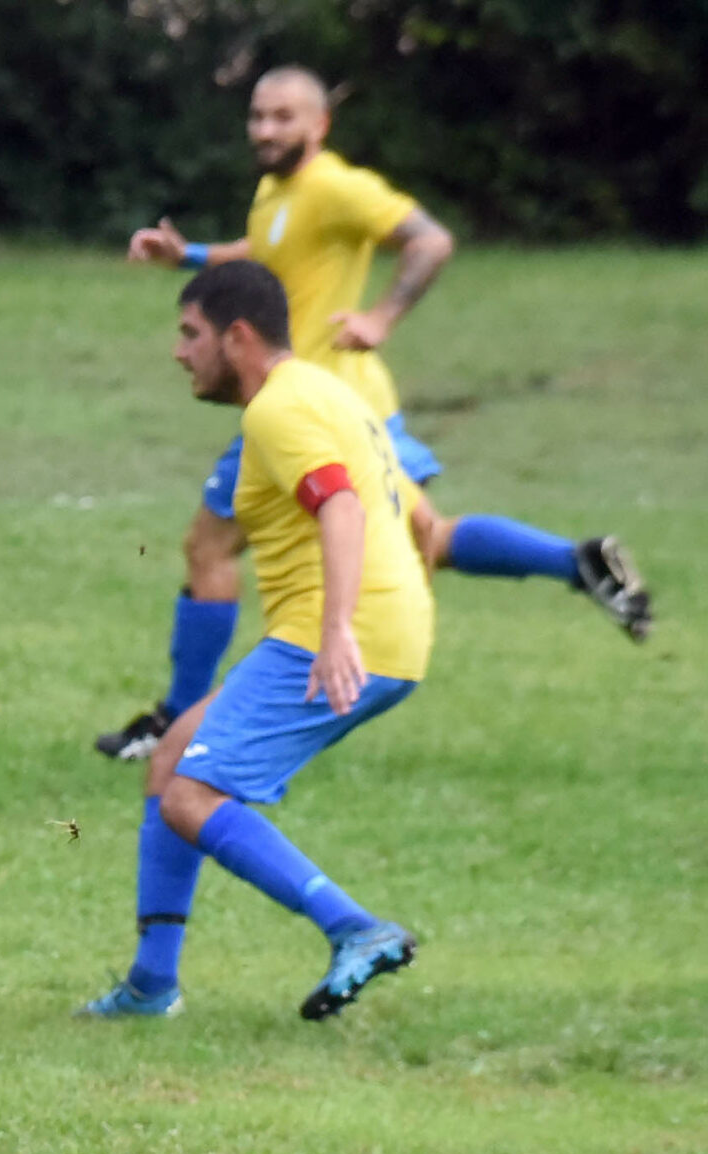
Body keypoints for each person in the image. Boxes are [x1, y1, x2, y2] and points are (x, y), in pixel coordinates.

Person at [97, 66, 651, 763]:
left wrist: (383, 315)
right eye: (258, 116)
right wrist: (193, 256)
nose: (266, 130)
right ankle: (575, 561)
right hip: (354, 404)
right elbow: (269, 252)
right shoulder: (280, 190)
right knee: (423, 538)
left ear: (320, 123)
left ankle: (173, 723)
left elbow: (431, 240)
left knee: (208, 549)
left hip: (308, 405)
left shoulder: (337, 186)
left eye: (284, 117)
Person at [82, 263, 428, 1022]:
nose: (180, 353)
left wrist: (338, 629)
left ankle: (355, 928)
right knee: (173, 754)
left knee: (190, 794)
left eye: (190, 334)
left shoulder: (279, 410)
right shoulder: (330, 391)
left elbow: (339, 504)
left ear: (237, 336)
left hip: (338, 634)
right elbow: (416, 514)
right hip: (372, 626)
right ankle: (150, 985)